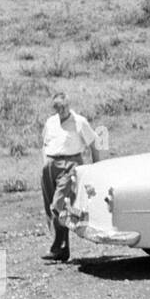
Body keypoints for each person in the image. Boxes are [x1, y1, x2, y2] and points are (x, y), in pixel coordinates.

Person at [40, 92, 99, 262]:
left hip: (69, 165)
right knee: (51, 208)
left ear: (69, 105)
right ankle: (62, 249)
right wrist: (45, 163)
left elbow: (93, 143)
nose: (62, 110)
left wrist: (96, 168)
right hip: (50, 166)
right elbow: (45, 144)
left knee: (57, 205)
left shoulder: (79, 121)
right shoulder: (50, 122)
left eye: (64, 106)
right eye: (58, 107)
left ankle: (58, 245)